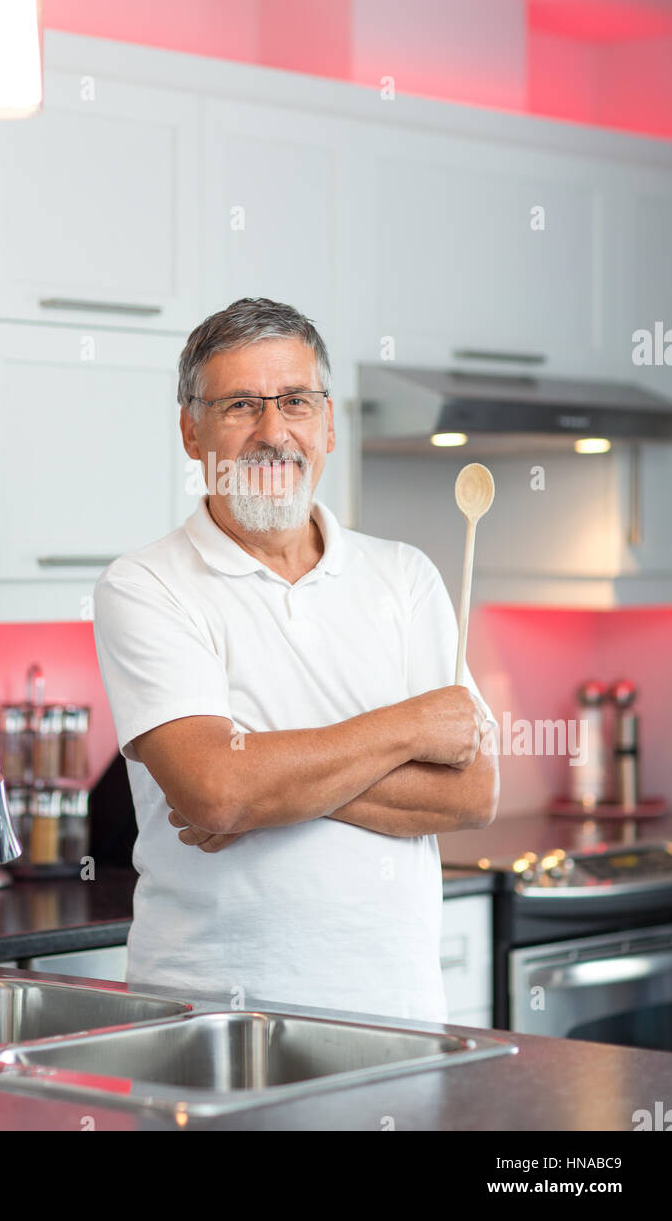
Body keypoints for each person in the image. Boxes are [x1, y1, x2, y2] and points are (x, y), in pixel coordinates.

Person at [93, 297, 498, 1023]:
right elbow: (216, 793)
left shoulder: (404, 577)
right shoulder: (146, 585)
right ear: (192, 430)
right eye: (240, 405)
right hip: (209, 1021)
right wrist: (409, 729)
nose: (272, 431)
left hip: (397, 1018)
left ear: (330, 423)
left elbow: (469, 795)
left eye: (296, 402)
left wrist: (265, 795)